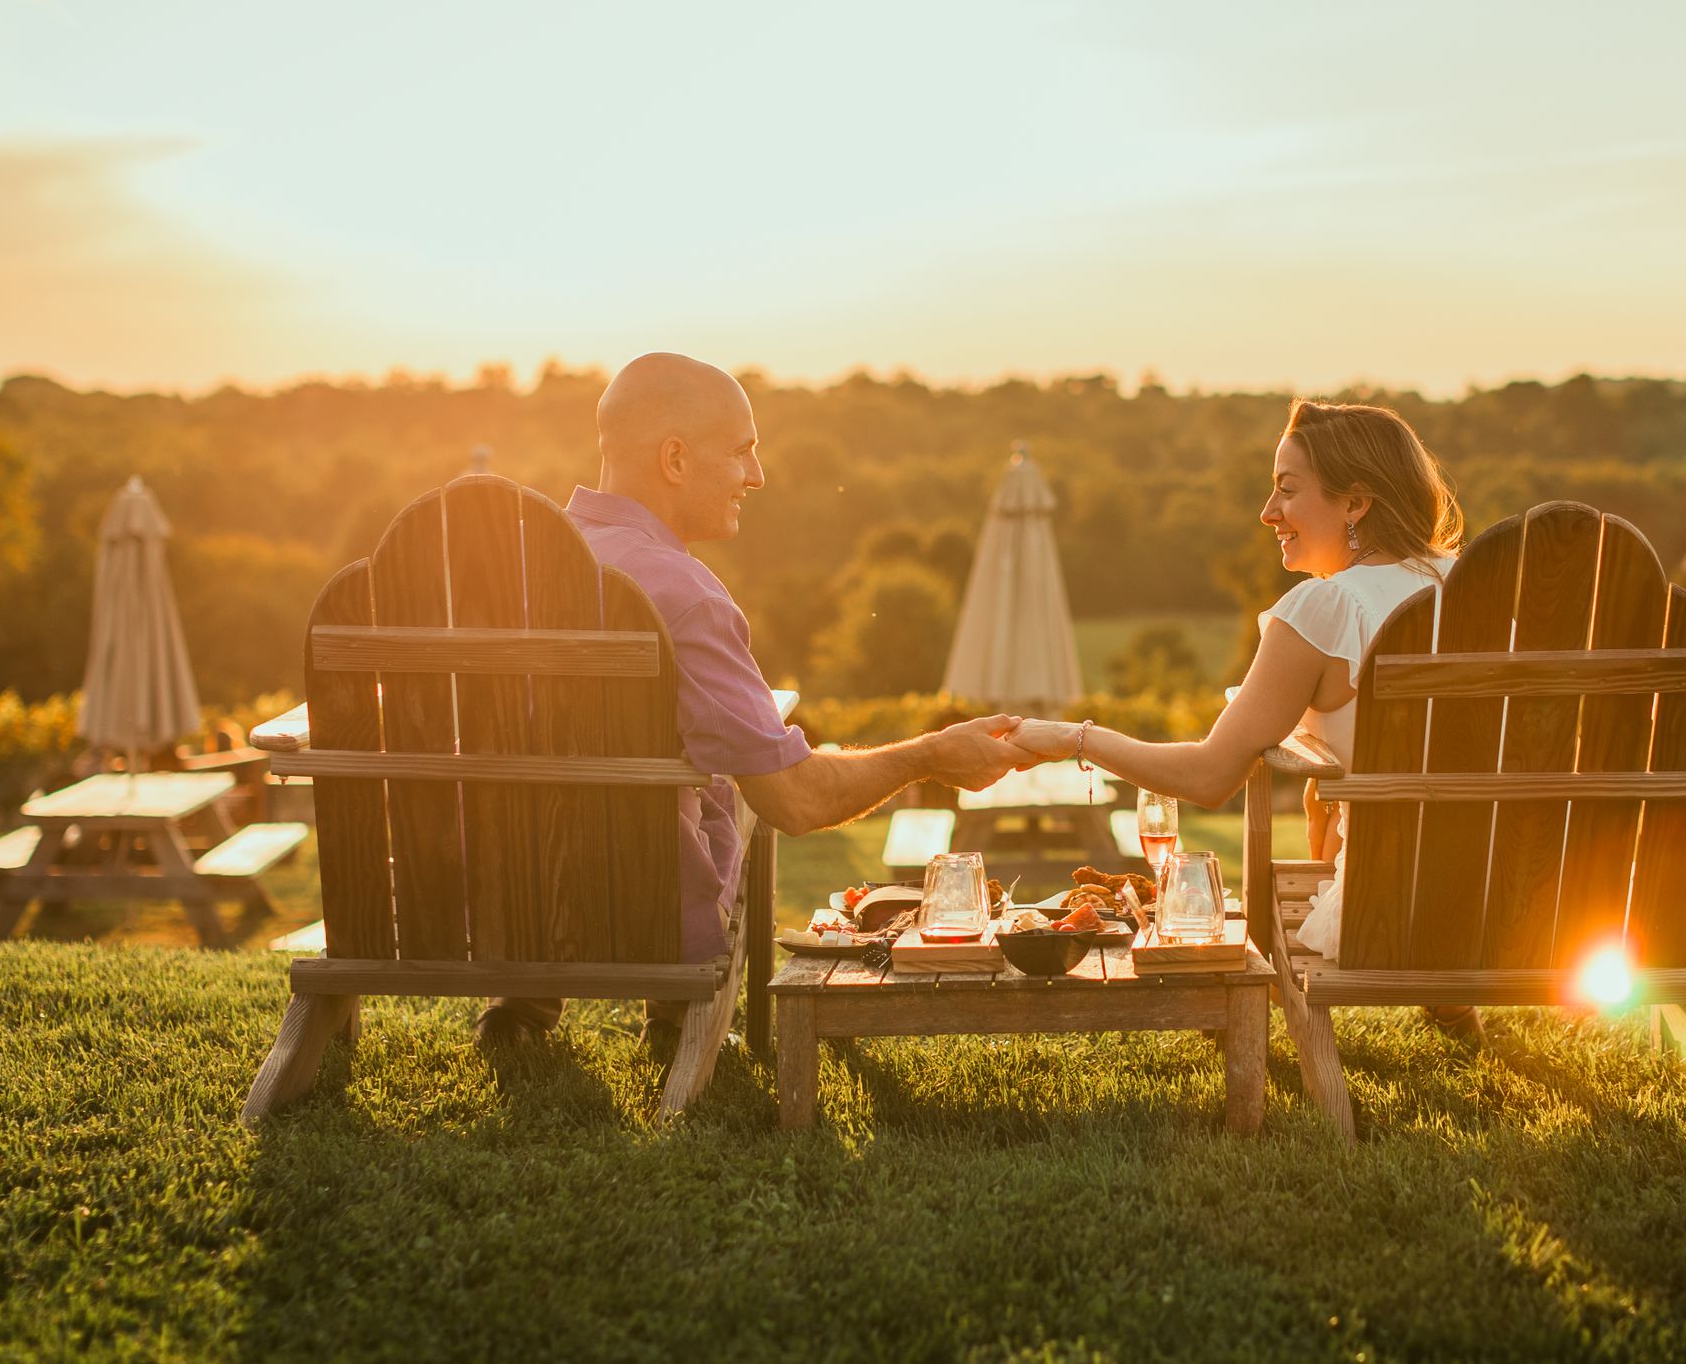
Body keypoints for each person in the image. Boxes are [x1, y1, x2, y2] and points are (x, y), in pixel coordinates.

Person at [481, 352, 1033, 1045]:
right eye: (741, 450)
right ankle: (675, 1016)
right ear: (675, 459)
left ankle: (521, 1006)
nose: (757, 475)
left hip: (479, 907)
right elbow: (794, 799)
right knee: (740, 781)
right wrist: (928, 755)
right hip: (641, 918)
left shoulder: (491, 573)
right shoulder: (682, 596)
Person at [1007, 399, 1460, 962]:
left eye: (1287, 490)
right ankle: (1453, 1000)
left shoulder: (1329, 608)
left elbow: (1209, 775)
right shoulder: (1478, 591)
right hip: (1518, 902)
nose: (1268, 513)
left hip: (1388, 911)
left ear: (1354, 502)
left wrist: (1073, 738)